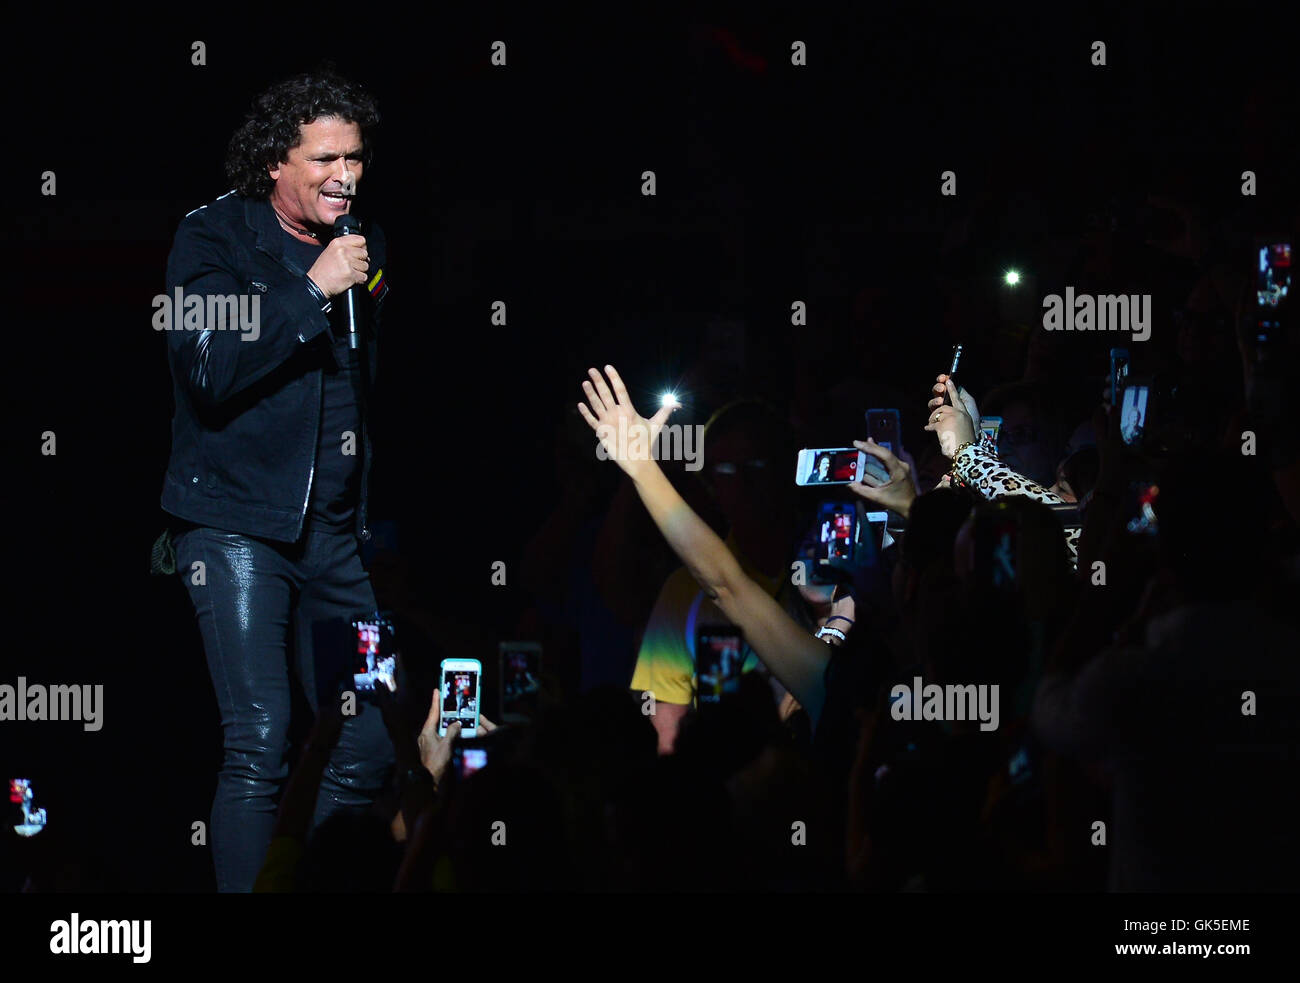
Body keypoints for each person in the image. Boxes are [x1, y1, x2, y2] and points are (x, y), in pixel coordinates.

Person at [158, 70, 393, 892]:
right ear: (274, 164)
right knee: (262, 733)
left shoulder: (364, 245)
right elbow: (210, 369)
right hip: (236, 527)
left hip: (334, 539)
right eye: (325, 158)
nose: (345, 175)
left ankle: (300, 880)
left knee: (369, 738)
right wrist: (310, 291)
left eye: (355, 157)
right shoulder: (212, 237)